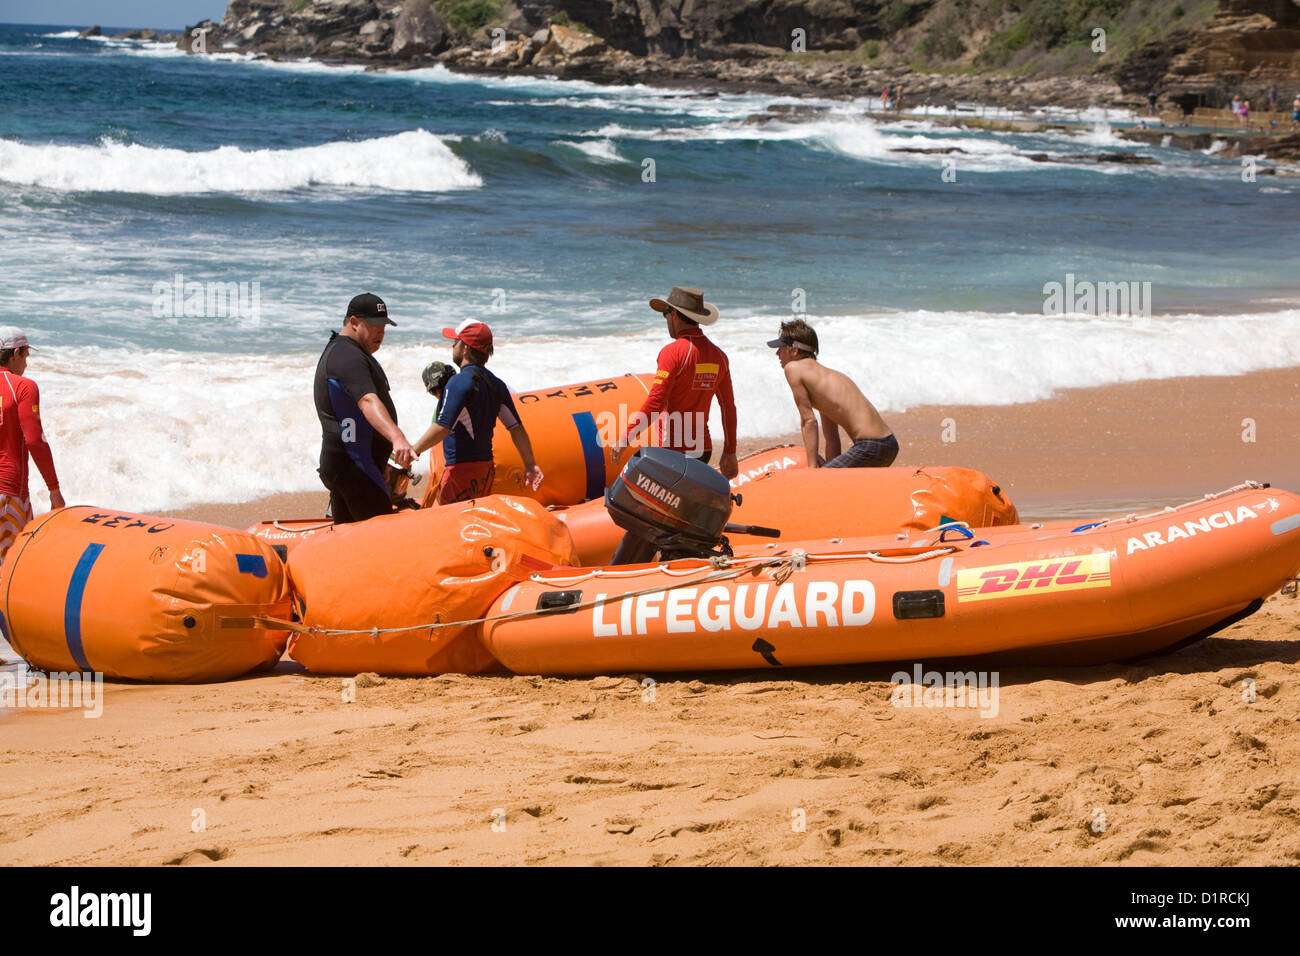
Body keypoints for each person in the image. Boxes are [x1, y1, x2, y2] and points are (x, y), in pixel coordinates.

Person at [609, 287, 738, 480]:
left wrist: (625, 438)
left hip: (673, 452)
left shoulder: (673, 352)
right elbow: (728, 407)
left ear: (675, 314)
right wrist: (730, 451)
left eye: (665, 314)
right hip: (702, 450)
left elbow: (656, 402)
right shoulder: (720, 356)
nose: (666, 321)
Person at [412, 319, 541, 504]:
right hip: (486, 470)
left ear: (465, 348)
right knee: (476, 523)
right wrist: (530, 464)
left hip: (461, 471)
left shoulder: (458, 382)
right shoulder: (496, 384)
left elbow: (443, 427)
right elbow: (516, 428)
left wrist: (414, 451)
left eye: (455, 342)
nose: (453, 346)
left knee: (454, 525)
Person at [313, 293, 415, 524]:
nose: (381, 332)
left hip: (352, 464)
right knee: (381, 541)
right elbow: (367, 401)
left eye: (384, 326)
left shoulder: (347, 352)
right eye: (375, 324)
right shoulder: (347, 356)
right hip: (354, 466)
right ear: (354, 322)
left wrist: (381, 460)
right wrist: (397, 438)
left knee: (349, 540)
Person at [769, 318, 898, 468]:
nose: (777, 353)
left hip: (870, 446)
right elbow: (832, 441)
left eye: (781, 348)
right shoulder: (826, 379)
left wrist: (812, 469)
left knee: (817, 483)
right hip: (888, 444)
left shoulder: (793, 368)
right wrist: (830, 473)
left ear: (795, 350)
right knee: (831, 480)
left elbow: (808, 421)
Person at [0, 327, 63, 562]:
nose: (26, 364)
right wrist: (53, 489)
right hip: (8, 492)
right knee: (13, 567)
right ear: (15, 353)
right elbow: (35, 440)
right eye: (26, 356)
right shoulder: (23, 387)